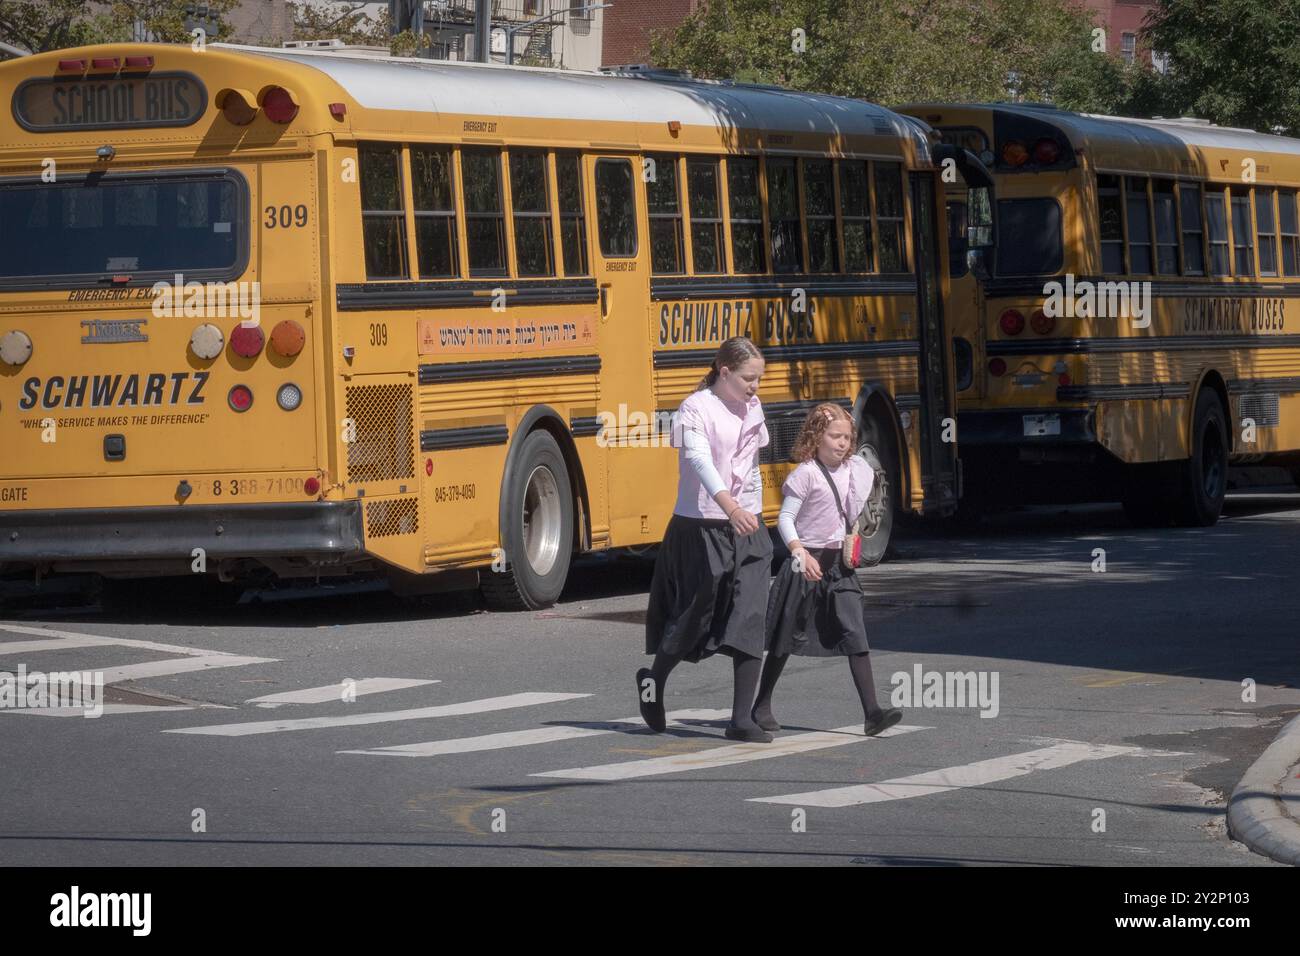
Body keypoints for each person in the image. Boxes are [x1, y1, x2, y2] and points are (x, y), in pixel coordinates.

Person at [638, 336, 775, 743]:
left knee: (751, 614)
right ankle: (654, 678)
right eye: (749, 379)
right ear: (725, 371)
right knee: (693, 618)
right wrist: (730, 506)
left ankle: (741, 720)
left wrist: (752, 509)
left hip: (747, 526)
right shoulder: (694, 408)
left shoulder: (753, 407)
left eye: (759, 380)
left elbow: (750, 465)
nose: (755, 387)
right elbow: (698, 460)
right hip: (701, 526)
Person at [753, 402, 902, 737]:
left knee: (855, 633)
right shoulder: (804, 474)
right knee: (785, 639)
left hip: (840, 567)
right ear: (816, 436)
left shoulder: (855, 469)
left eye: (847, 437)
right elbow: (785, 519)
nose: (843, 443)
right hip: (805, 563)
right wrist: (798, 552)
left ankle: (872, 713)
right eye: (835, 436)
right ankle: (761, 704)